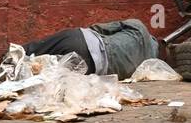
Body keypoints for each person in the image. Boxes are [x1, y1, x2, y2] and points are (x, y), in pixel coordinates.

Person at [22, 19, 159, 80]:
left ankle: (5, 59)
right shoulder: (143, 69)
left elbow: (100, 28)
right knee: (44, 74)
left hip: (83, 41)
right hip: (90, 68)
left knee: (29, 51)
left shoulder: (138, 27)